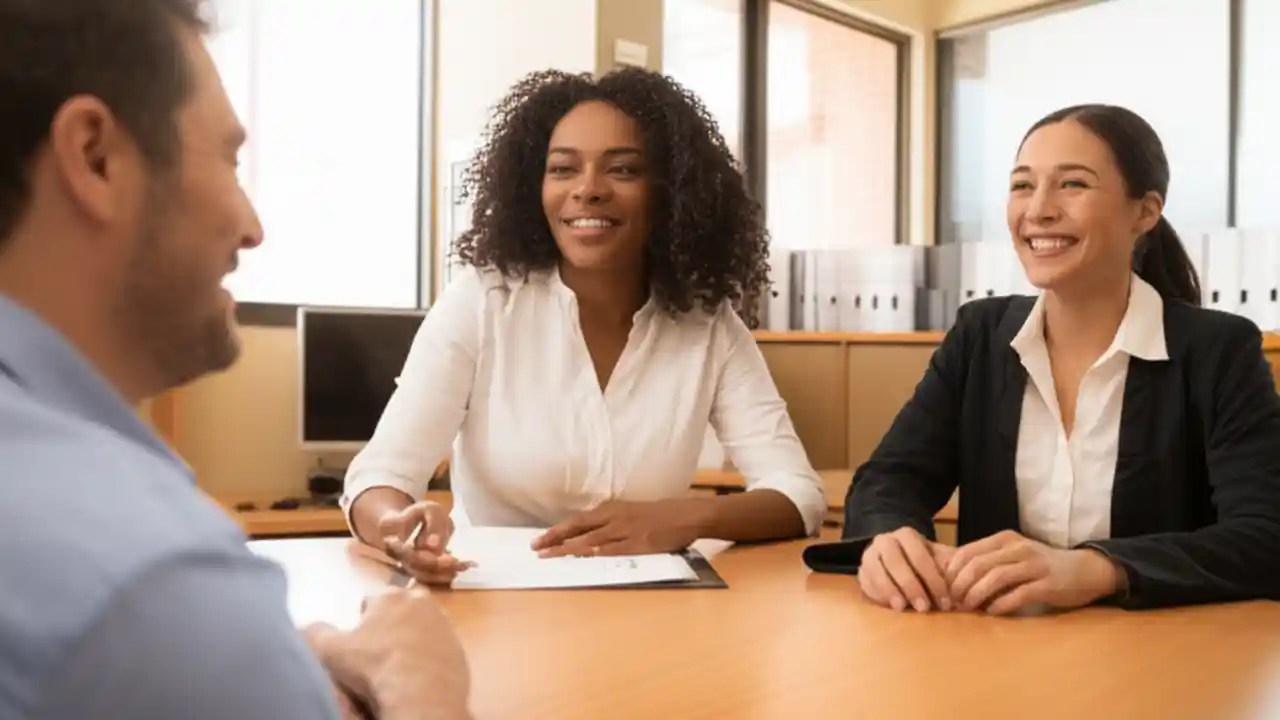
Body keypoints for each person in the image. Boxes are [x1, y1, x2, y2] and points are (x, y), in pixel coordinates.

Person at [0, 1, 470, 718]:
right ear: (96, 158)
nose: (252, 227)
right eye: (227, 158)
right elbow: (146, 618)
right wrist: (424, 685)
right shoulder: (148, 574)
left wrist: (290, 647)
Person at [344, 68, 826, 584]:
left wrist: (681, 517)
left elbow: (797, 492)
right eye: (563, 169)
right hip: (496, 612)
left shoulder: (708, 325)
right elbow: (380, 475)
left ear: (671, 192)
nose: (588, 190)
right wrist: (398, 528)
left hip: (654, 611)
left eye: (622, 170)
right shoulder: (482, 303)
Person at [804, 104, 1280, 614]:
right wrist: (890, 538)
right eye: (1023, 185)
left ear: (1144, 211)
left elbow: (1264, 536)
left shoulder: (1218, 350)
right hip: (997, 649)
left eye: (1072, 184)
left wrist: (1099, 569)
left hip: (1158, 662)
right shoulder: (979, 337)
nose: (1039, 209)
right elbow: (889, 478)